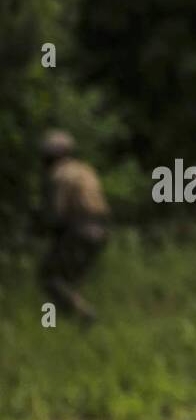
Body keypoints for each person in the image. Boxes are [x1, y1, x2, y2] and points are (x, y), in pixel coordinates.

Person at [38, 130, 110, 323]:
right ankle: (70, 324)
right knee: (71, 282)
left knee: (49, 277)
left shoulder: (59, 174)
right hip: (101, 230)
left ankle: (69, 319)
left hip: (78, 230)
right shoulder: (85, 169)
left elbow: (58, 213)